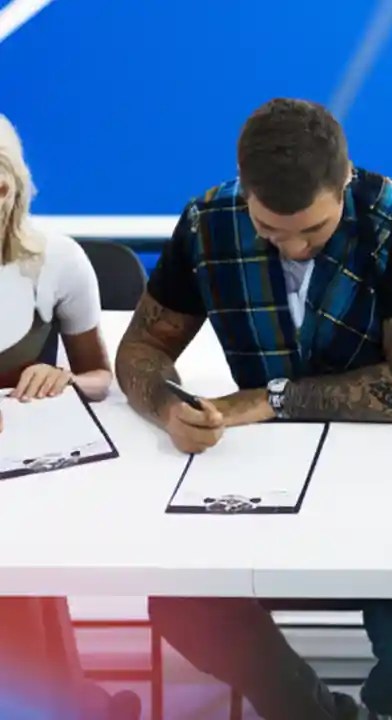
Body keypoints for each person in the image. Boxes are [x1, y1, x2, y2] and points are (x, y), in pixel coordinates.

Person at [114, 99, 392, 720]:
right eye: (272, 232)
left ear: (345, 182)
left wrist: (273, 400)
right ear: (245, 193)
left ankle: (386, 702)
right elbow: (142, 346)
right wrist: (169, 405)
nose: (295, 247)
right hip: (255, 476)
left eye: (315, 230)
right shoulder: (206, 224)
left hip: (386, 478)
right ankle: (315, 713)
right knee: (182, 605)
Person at [0, 116, 138, 719]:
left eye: (0, 189)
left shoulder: (56, 261)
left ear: (17, 188)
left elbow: (101, 378)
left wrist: (64, 380)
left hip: (26, 477)